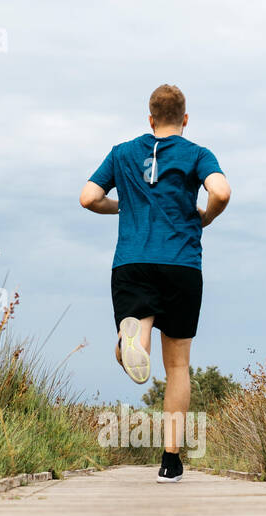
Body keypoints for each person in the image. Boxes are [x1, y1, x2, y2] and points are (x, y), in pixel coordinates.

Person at [80, 84, 231, 482]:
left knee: (136, 328)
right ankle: (170, 460)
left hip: (132, 260)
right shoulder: (197, 153)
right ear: (184, 119)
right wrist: (207, 217)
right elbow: (221, 191)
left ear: (149, 118)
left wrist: (122, 205)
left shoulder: (122, 152)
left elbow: (87, 197)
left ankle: (134, 337)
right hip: (181, 263)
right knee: (178, 365)